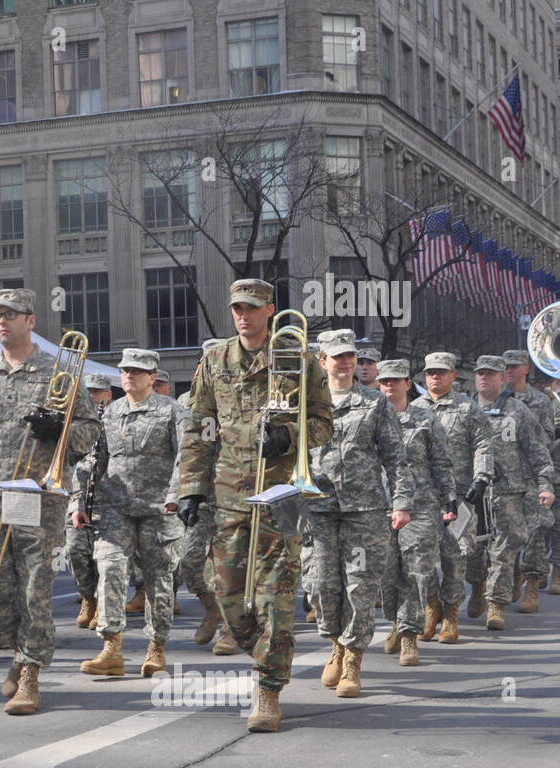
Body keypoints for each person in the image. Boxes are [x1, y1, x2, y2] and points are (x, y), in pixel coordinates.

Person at [177, 279, 333, 732]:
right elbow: (199, 427)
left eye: (252, 307)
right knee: (226, 594)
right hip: (229, 496)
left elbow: (325, 423)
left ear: (271, 309)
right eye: (237, 308)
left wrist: (290, 437)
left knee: (277, 598)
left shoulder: (299, 359)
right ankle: (261, 650)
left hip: (281, 495)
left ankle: (268, 689)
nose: (243, 315)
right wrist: (190, 487)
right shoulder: (215, 360)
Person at [0, 289, 98, 714]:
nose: (2, 321)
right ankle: (17, 648)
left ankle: (30, 672)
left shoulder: (57, 372)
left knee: (34, 588)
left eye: (11, 314)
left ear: (31, 321)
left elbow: (90, 432)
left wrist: (59, 434)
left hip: (36, 494)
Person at [306, 330, 414, 698]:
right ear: (323, 361)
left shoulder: (374, 403)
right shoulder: (306, 403)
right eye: (337, 356)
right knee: (323, 585)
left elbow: (396, 458)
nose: (345, 361)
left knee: (360, 586)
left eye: (350, 355)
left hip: (365, 509)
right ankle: (335, 643)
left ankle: (352, 659)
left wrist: (400, 502)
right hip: (318, 507)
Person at [73, 349, 183, 678]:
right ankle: (111, 648)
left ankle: (156, 648)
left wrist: (177, 496)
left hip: (158, 509)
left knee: (158, 580)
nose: (129, 376)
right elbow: (93, 462)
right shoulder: (109, 413)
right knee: (109, 571)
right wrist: (79, 502)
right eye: (125, 371)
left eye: (137, 371)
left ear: (153, 377)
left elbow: (185, 458)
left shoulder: (172, 411)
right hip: (115, 508)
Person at [375, 360, 458, 664]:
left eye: (396, 381)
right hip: (379, 506)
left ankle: (410, 635)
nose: (390, 386)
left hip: (421, 506)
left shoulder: (425, 419)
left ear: (408, 385)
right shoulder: (370, 419)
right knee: (386, 571)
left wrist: (450, 498)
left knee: (416, 571)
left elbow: (441, 462)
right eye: (384, 381)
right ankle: (396, 622)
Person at [466, 355, 555, 630]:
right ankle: (478, 584)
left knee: (503, 552)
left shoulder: (518, 411)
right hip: (471, 495)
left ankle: (497, 605)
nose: (484, 377)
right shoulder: (463, 409)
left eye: (490, 374)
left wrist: (544, 485)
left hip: (508, 493)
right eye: (480, 373)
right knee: (470, 551)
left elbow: (539, 453)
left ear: (501, 377)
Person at [411, 352, 495, 642]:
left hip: (459, 497)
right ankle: (431, 604)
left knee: (455, 556)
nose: (435, 377)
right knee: (422, 558)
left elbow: (483, 444)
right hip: (423, 497)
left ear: (453, 375)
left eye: (441, 372)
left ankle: (451, 614)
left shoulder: (468, 408)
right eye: (431, 372)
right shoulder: (414, 408)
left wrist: (481, 478)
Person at [174, 338, 227, 650]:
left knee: (231, 565)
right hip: (199, 492)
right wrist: (179, 492)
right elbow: (181, 452)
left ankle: (232, 629)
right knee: (190, 562)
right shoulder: (185, 404)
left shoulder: (243, 399)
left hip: (236, 491)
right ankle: (212, 608)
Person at [503, 350, 557, 611]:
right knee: (507, 534)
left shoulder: (540, 401)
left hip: (532, 476)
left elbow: (547, 440)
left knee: (536, 531)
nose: (509, 371)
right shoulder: (495, 399)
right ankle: (514, 575)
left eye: (514, 366)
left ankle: (533, 587)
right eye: (506, 367)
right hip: (504, 479)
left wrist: (524, 417)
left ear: (526, 368)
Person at [67, 373, 114, 630]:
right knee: (76, 552)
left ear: (109, 394)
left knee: (103, 559)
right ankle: (88, 598)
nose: (93, 396)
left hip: (106, 498)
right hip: (77, 496)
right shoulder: (73, 423)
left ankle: (103, 605)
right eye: (89, 392)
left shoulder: (115, 419)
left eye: (98, 392)